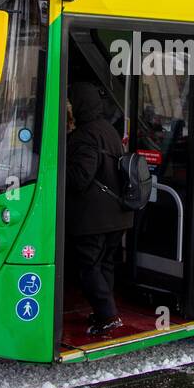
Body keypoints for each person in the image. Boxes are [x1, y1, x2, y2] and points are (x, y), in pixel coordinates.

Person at [66, 81, 134, 337]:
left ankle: (107, 316)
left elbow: (81, 177)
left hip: (93, 218)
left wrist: (57, 169)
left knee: (88, 267)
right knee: (105, 264)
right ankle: (107, 311)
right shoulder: (108, 129)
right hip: (118, 214)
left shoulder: (85, 135)